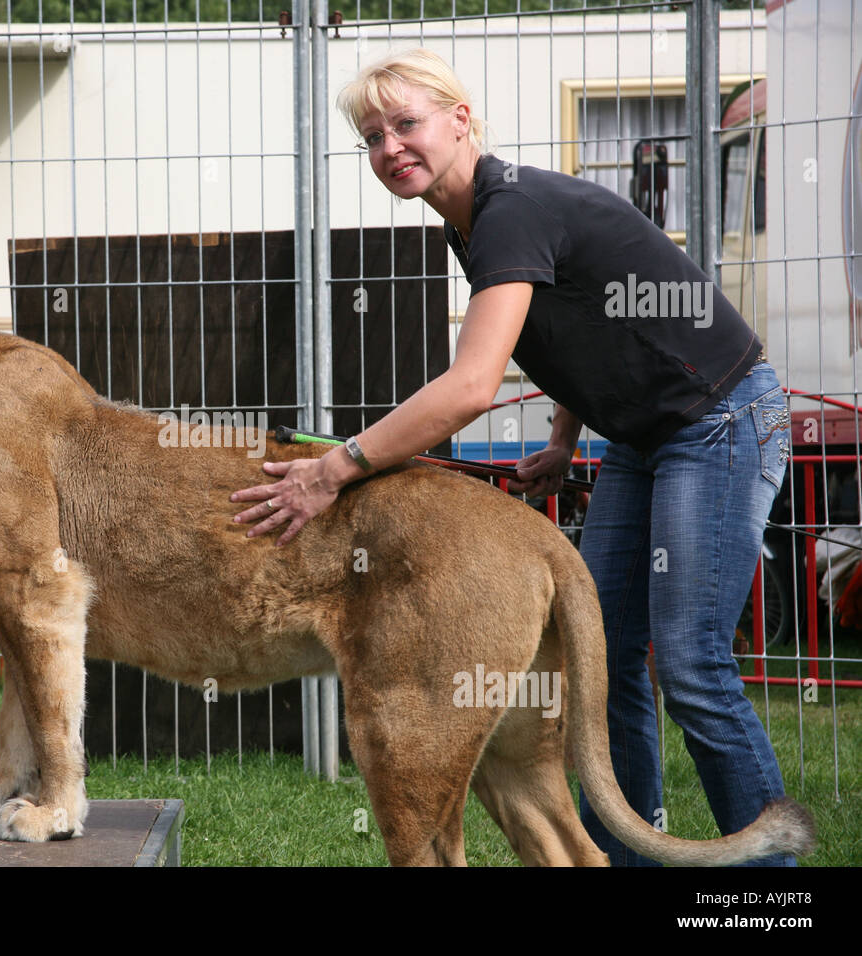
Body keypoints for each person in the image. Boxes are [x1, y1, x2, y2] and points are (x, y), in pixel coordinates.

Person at [230, 48, 795, 866]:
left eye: (407, 124)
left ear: (462, 120)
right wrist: (563, 440)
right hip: (646, 438)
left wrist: (336, 466)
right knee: (602, 666)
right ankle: (628, 860)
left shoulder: (508, 211)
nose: (390, 148)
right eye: (372, 137)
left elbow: (469, 389)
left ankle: (769, 887)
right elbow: (583, 323)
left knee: (691, 665)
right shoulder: (474, 223)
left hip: (722, 420)